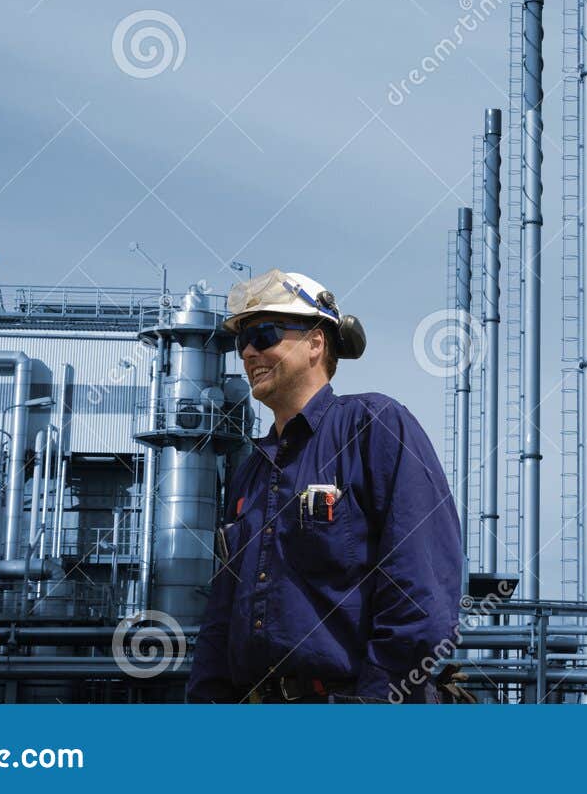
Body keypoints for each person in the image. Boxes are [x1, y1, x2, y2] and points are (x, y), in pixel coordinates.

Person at [187, 269, 462, 703]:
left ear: (316, 342)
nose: (248, 352)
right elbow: (222, 612)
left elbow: (420, 591)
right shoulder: (252, 472)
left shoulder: (372, 428)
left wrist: (373, 702)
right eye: (241, 343)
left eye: (263, 335)